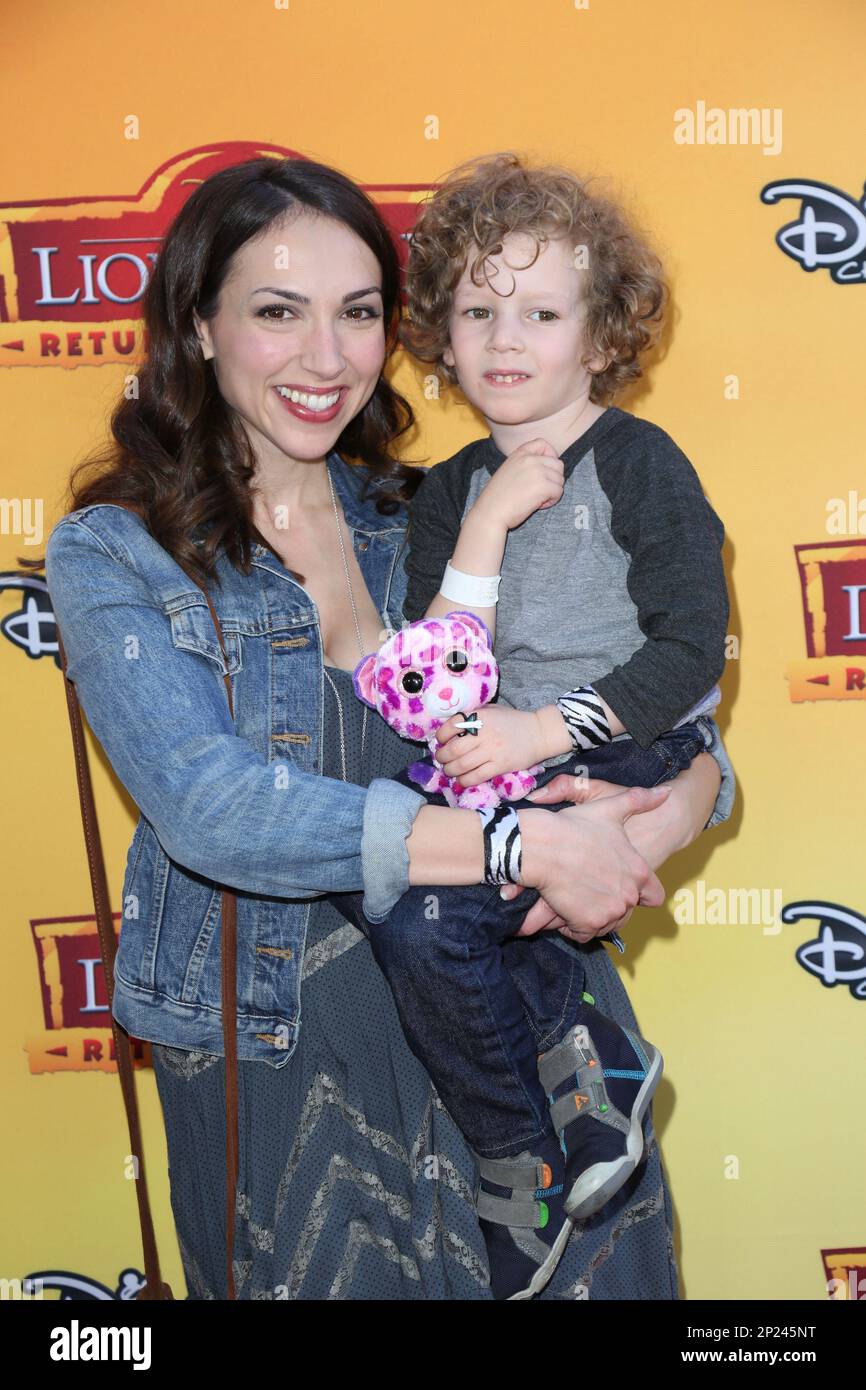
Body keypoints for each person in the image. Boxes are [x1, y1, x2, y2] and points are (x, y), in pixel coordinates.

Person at [36, 154, 735, 1301]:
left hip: (515, 1023)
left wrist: (670, 808)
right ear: (199, 326)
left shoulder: (429, 512)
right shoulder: (118, 550)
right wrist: (521, 847)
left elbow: (641, 700)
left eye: (357, 314)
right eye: (276, 313)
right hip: (291, 1045)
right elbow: (213, 807)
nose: (326, 358)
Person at [328, 152, 733, 1298]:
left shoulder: (641, 464)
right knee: (414, 919)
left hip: (613, 745)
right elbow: (432, 688)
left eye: (541, 312)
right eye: (475, 310)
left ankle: (565, 1095)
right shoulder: (448, 489)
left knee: (452, 914)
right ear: (437, 338)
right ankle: (539, 1133)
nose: (505, 338)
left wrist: (547, 730)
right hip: (492, 764)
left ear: (599, 335)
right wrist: (488, 525)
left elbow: (690, 651)